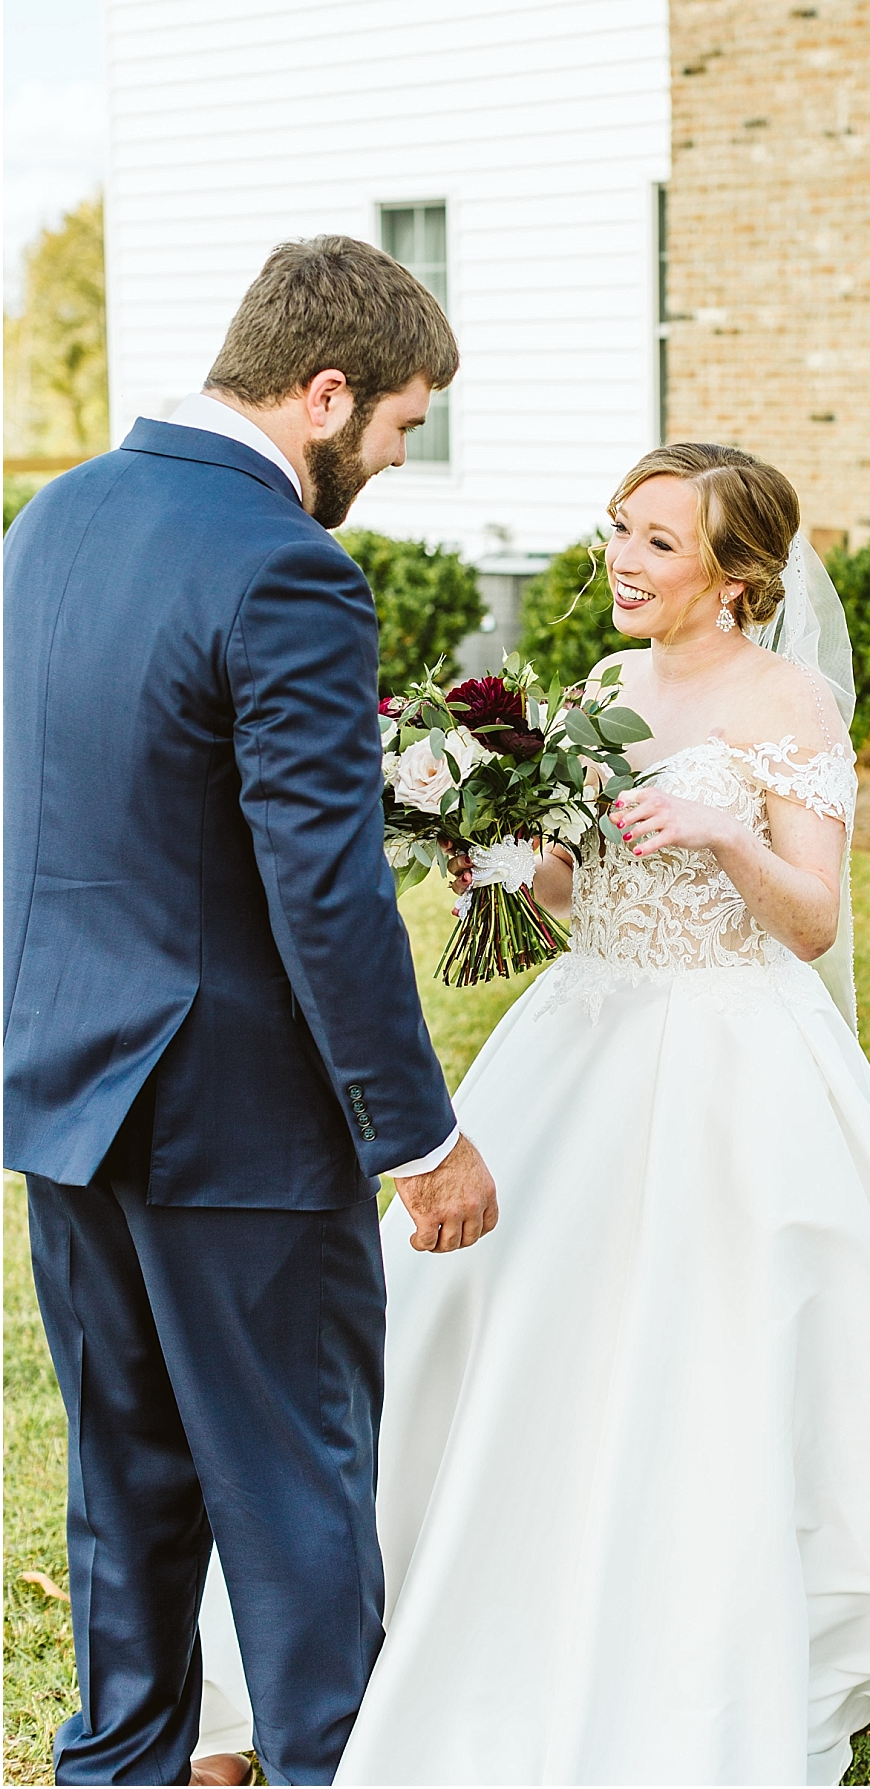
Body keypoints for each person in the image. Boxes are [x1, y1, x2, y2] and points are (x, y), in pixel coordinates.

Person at [198, 440, 870, 1784]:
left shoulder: (793, 704)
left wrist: (725, 832)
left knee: (710, 1337)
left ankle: (698, 1598)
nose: (622, 558)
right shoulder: (602, 688)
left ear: (734, 578)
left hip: (730, 1055)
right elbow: (578, 895)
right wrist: (504, 856)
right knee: (497, 1307)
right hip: (581, 1041)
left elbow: (812, 919)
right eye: (621, 528)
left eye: (659, 541)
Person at [4, 237, 499, 1788]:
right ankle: (323, 1765)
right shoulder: (289, 566)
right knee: (297, 1484)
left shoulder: (53, 515)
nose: (396, 459)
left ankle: (119, 1766)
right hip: (235, 1118)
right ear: (326, 392)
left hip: (64, 1092)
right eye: (401, 424)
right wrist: (418, 1135)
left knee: (125, 1474)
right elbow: (325, 892)